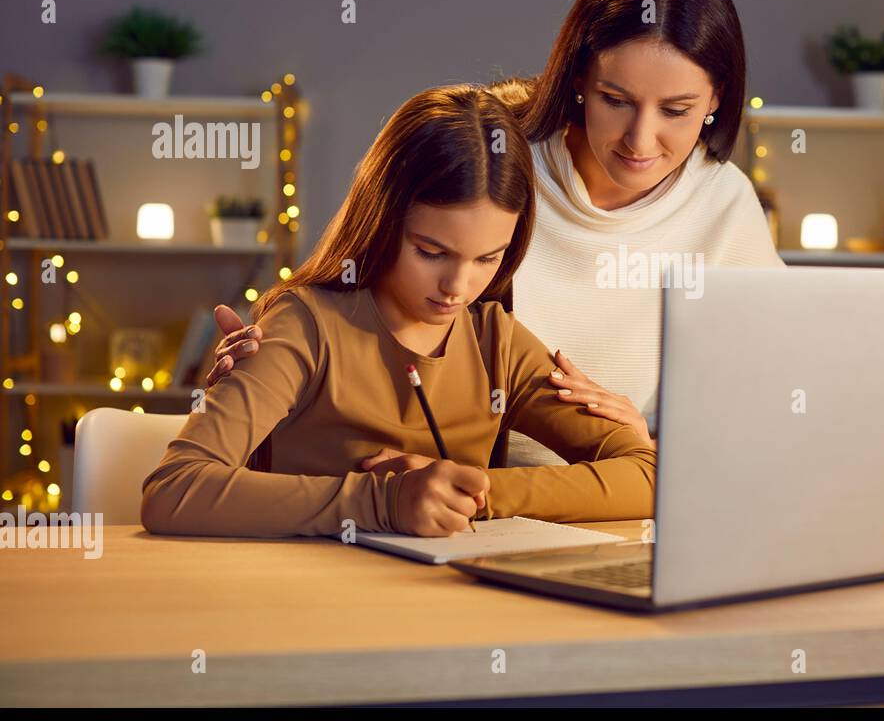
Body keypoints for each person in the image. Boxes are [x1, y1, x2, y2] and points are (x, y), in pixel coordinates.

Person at [206, 0, 783, 467]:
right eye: (616, 100)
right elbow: (364, 308)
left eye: (677, 110)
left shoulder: (725, 204)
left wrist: (649, 451)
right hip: (465, 506)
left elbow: (764, 411)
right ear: (578, 75)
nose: (640, 139)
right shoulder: (499, 159)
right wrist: (277, 366)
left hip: (624, 505)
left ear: (717, 97)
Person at [142, 85, 656, 538]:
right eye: (431, 252)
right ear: (383, 219)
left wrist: (474, 495)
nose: (458, 287)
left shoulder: (493, 341)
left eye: (487, 259)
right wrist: (383, 503)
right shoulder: (304, 326)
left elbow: (649, 476)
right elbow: (173, 490)